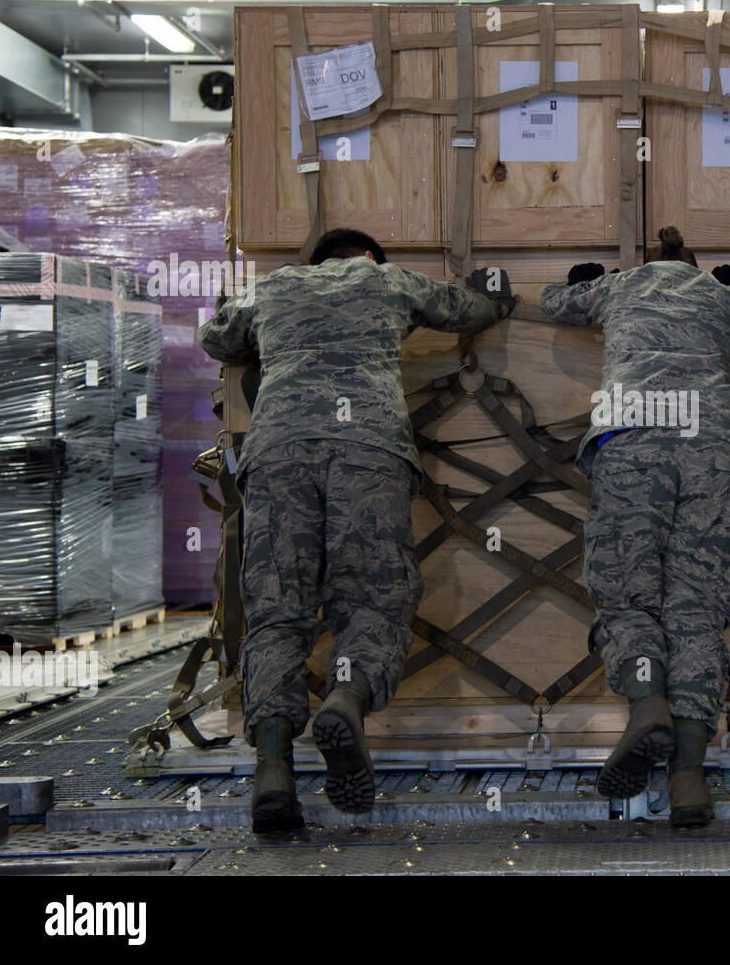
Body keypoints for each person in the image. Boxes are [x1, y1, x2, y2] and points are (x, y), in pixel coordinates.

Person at [198, 228, 514, 832]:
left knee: (276, 610)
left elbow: (217, 339)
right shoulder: (388, 279)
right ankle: (345, 697)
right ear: (369, 258)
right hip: (368, 450)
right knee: (371, 601)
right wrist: (495, 294)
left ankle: (272, 767)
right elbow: (469, 309)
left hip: (278, 453)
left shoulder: (273, 286)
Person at [540, 228, 730, 827]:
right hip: (710, 451)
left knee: (626, 600)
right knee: (695, 611)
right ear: (696, 265)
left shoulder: (620, 287)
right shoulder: (715, 296)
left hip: (632, 443)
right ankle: (690, 775)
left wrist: (582, 282)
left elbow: (551, 303)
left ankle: (647, 704)